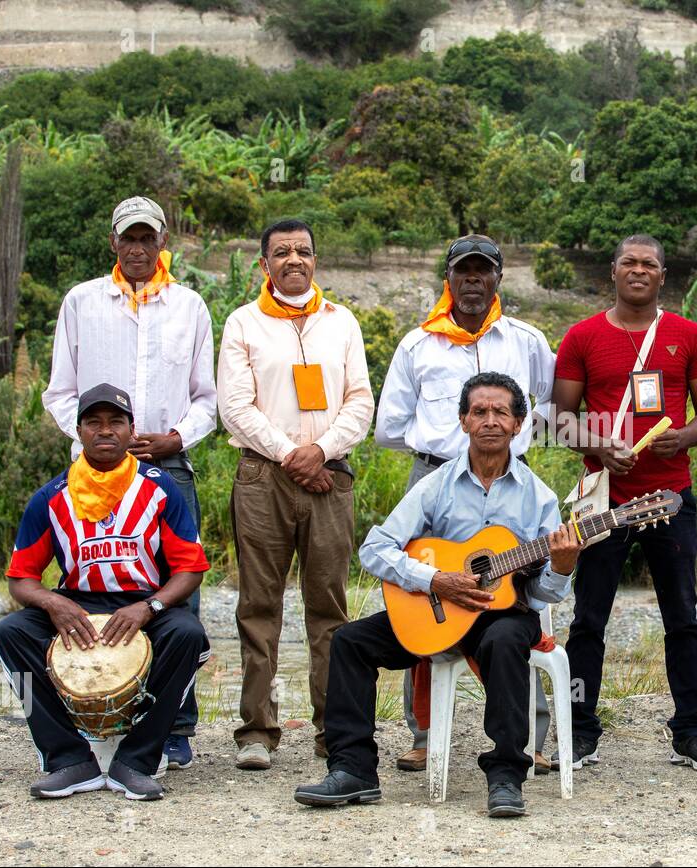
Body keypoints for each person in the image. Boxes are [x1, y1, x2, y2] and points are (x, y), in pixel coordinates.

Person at [294, 373, 580, 817]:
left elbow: (542, 592)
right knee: (350, 642)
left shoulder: (538, 498)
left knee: (506, 640)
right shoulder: (437, 483)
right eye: (479, 411)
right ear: (463, 421)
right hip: (440, 609)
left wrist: (561, 568)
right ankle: (353, 770)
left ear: (519, 424)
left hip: (503, 614)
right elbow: (375, 548)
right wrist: (434, 581)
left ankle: (506, 775)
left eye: (500, 412)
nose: (489, 420)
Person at [42, 195, 216, 771]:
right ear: (113, 243)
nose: (138, 248)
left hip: (167, 468)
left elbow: (206, 400)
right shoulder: (82, 302)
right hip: (94, 473)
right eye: (128, 239)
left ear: (162, 242)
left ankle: (176, 726)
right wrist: (100, 439)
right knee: (97, 584)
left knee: (177, 594)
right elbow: (60, 392)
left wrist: (175, 439)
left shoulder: (189, 306)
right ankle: (96, 708)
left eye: (148, 238)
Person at [374, 234, 555, 774]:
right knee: (424, 593)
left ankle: (533, 738)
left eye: (483, 271)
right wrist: (444, 452)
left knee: (522, 597)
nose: (473, 281)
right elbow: (388, 426)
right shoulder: (417, 344)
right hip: (434, 478)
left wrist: (502, 445)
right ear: (447, 279)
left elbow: (544, 403)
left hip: (509, 478)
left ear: (499, 278)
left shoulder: (526, 340)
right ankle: (425, 734)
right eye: (463, 271)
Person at [552, 234, 697, 772]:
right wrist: (598, 445)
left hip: (670, 498)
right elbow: (559, 419)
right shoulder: (581, 337)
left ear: (663, 275)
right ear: (613, 271)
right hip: (603, 498)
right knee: (588, 618)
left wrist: (686, 437)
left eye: (650, 263)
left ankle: (690, 731)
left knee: (683, 617)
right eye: (630, 262)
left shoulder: (687, 335)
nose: (639, 270)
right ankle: (580, 731)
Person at [0, 384, 211, 801]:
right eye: (94, 422)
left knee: (189, 635)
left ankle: (137, 760)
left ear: (131, 432)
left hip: (143, 602)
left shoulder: (159, 487)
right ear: (79, 431)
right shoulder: (52, 497)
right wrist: (53, 602)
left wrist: (150, 607)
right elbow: (21, 577)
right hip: (77, 603)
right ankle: (69, 760)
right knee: (10, 632)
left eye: (116, 422)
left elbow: (190, 569)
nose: (105, 431)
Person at [218, 219, 374, 770]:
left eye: (303, 251)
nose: (293, 260)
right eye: (281, 252)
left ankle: (333, 731)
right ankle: (257, 731)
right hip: (264, 477)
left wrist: (322, 450)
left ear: (315, 261)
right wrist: (291, 455)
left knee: (328, 609)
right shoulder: (244, 323)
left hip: (330, 478)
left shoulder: (343, 323)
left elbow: (360, 401)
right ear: (264, 265)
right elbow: (235, 406)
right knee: (259, 606)